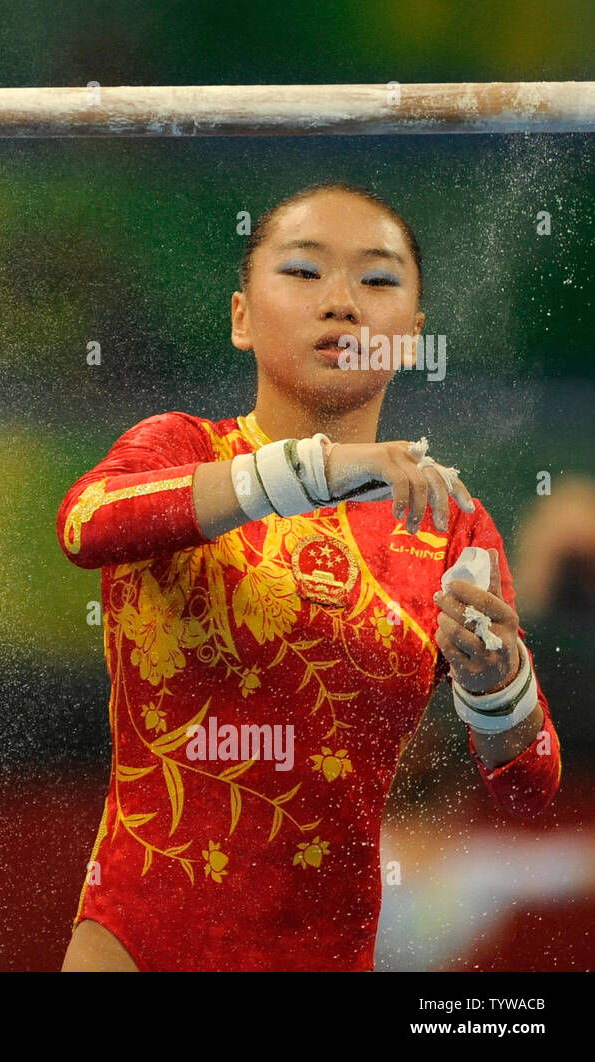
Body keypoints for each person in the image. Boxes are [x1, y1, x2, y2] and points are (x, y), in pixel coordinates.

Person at [55, 181, 561, 972]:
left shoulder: (446, 521)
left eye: (379, 280)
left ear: (413, 336)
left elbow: (528, 788)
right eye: (302, 272)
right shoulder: (182, 450)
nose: (343, 303)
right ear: (241, 318)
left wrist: (499, 685)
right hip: (138, 944)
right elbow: (86, 524)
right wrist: (320, 470)